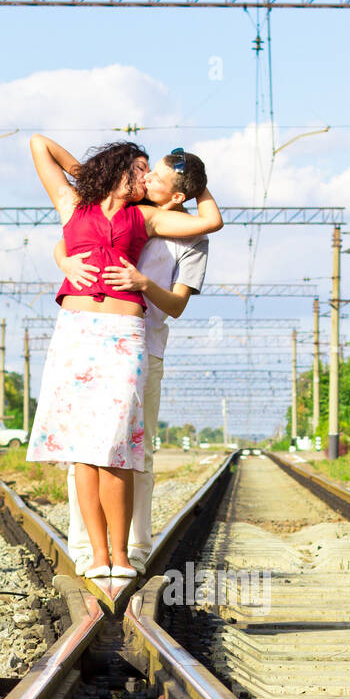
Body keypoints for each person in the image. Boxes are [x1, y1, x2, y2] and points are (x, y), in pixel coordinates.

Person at [26, 136, 222, 579]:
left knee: (120, 449)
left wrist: (193, 176)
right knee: (82, 449)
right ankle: (94, 554)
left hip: (129, 338)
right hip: (76, 333)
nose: (147, 175)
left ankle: (125, 552)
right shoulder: (76, 205)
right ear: (120, 171)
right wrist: (88, 176)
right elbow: (39, 144)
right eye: (140, 169)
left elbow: (211, 221)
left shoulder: (148, 217)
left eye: (155, 173)